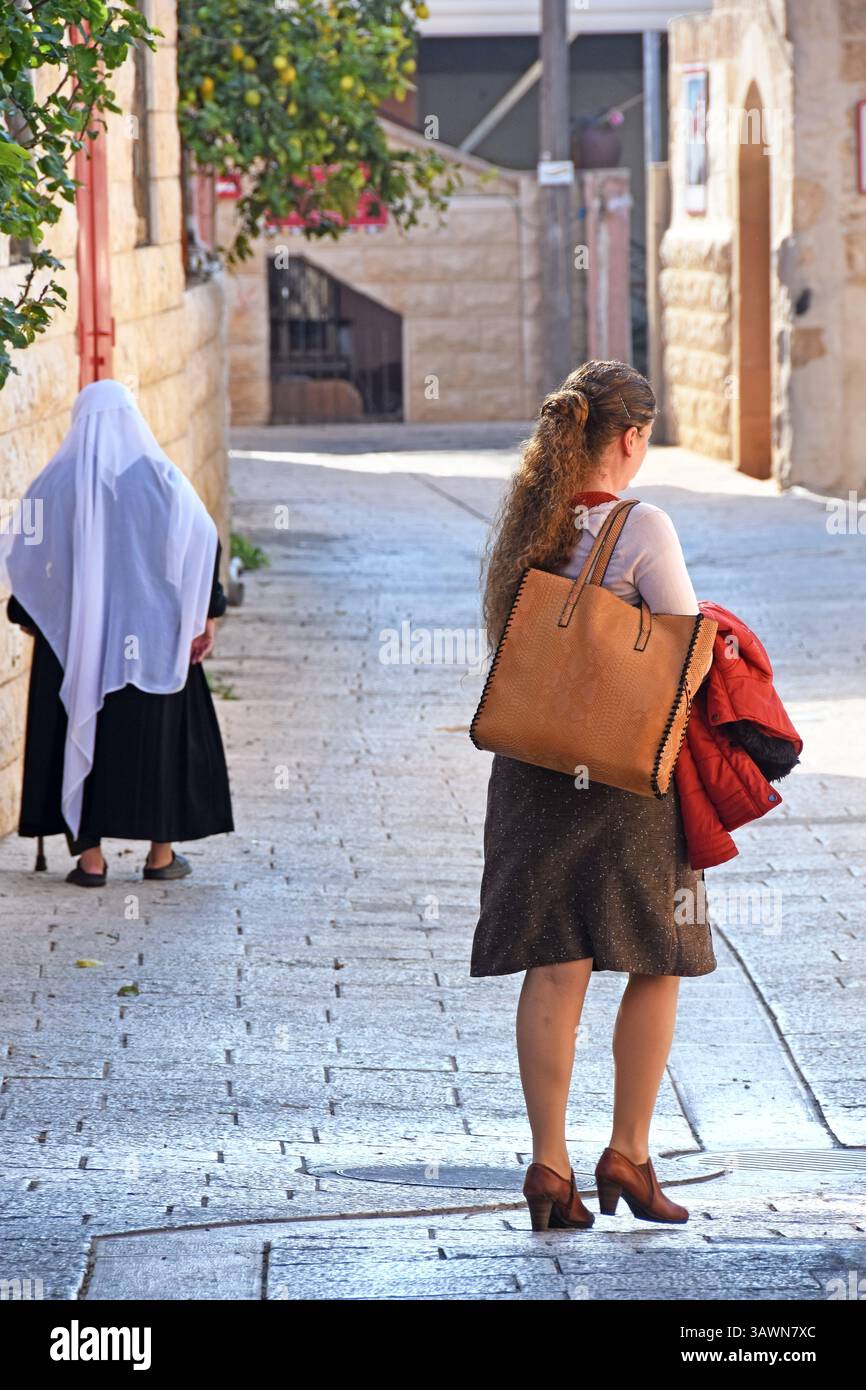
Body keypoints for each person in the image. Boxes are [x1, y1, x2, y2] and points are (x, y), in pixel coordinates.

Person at [471, 358, 715, 1231]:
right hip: (622, 778)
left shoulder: (526, 526)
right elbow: (687, 653)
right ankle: (632, 1152)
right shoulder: (643, 527)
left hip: (532, 772)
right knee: (662, 953)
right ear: (632, 437)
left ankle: (549, 1165)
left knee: (555, 959)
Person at [0, 378, 233, 886]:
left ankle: (91, 862)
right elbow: (203, 538)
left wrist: (35, 615)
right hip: (152, 638)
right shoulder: (160, 479)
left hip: (75, 644)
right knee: (158, 740)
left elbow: (22, 555)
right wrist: (203, 614)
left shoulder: (54, 484)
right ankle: (160, 856)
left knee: (77, 734)